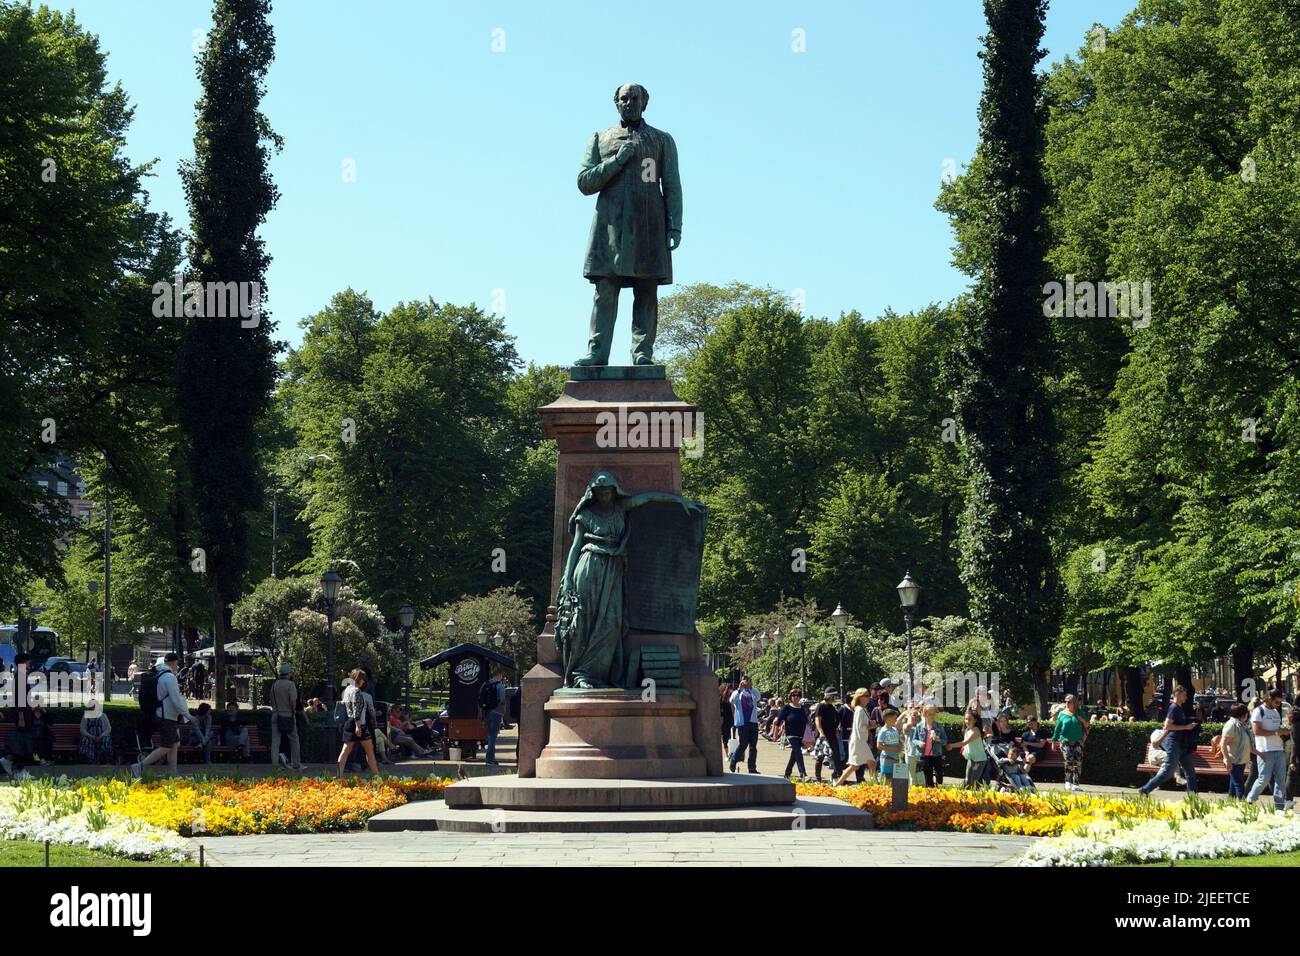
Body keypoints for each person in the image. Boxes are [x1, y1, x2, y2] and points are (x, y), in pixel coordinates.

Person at [132, 653, 193, 778]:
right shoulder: (170, 677)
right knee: (167, 745)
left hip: (163, 715)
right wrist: (188, 715)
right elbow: (176, 699)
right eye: (177, 663)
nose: (178, 666)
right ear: (173, 663)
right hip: (167, 717)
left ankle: (173, 772)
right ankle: (140, 766)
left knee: (174, 743)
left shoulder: (160, 675)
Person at [1140, 684, 1200, 796]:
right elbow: (1167, 726)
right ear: (1178, 694)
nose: (1186, 697)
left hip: (1181, 744)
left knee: (1190, 771)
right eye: (1184, 695)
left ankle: (1193, 796)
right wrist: (1186, 727)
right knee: (1168, 771)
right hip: (1174, 743)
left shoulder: (1178, 708)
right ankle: (1145, 789)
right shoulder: (1174, 707)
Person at [1246, 687, 1287, 811]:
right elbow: (1256, 731)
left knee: (1280, 780)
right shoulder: (1259, 711)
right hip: (1265, 750)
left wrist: (1285, 731)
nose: (1278, 704)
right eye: (1277, 702)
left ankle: (1279, 807)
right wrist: (1276, 732)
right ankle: (1250, 799)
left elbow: (1277, 729)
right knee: (1264, 779)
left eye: (1279, 702)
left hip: (1279, 749)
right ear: (1269, 699)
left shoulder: (1275, 712)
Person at [337, 668, 380, 779]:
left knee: (345, 751)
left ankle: (339, 775)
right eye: (363, 679)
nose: (364, 682)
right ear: (359, 679)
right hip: (359, 724)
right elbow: (357, 710)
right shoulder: (357, 691)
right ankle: (377, 776)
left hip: (348, 722)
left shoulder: (347, 690)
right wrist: (358, 726)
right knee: (369, 751)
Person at [832, 688, 877, 786]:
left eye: (868, 695)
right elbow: (859, 727)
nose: (868, 697)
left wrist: (870, 725)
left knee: (854, 766)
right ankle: (875, 785)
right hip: (859, 741)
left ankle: (837, 784)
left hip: (859, 740)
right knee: (871, 763)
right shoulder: (860, 710)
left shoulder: (861, 709)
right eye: (866, 695)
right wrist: (870, 726)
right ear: (860, 697)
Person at [1051, 694, 1089, 792]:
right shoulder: (1062, 714)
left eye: (1069, 702)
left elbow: (1087, 725)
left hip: (1078, 741)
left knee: (1078, 762)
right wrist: (1054, 741)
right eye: (1066, 701)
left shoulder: (1080, 713)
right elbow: (1058, 728)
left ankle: (1075, 784)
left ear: (1074, 703)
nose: (1067, 703)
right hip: (1065, 740)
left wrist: (1082, 720)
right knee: (1069, 760)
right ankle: (1068, 781)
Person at [1216, 702, 1252, 799]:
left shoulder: (1241, 725)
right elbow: (1223, 743)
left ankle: (1229, 807)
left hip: (1240, 760)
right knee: (1240, 786)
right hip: (1233, 760)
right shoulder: (1232, 725)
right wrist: (1227, 760)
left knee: (1233, 786)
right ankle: (1241, 808)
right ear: (1243, 715)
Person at [269, 661, 301, 771]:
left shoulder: (274, 685)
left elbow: (272, 701)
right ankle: (296, 764)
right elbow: (293, 700)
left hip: (276, 714)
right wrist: (293, 712)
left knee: (275, 741)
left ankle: (275, 765)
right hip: (288, 715)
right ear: (289, 673)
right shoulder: (290, 685)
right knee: (294, 740)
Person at [728, 676, 761, 773]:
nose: (746, 682)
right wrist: (739, 689)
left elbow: (758, 697)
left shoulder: (753, 691)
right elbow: (732, 700)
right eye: (745, 681)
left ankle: (752, 768)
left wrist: (751, 687)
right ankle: (733, 760)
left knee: (753, 746)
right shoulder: (738, 692)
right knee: (743, 744)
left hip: (753, 722)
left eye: (748, 680)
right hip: (742, 723)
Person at [774, 688, 809, 780]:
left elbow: (806, 721)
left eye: (797, 696)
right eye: (793, 695)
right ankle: (803, 773)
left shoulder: (802, 708)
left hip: (801, 735)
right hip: (791, 734)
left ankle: (787, 773)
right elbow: (778, 721)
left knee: (794, 754)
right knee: (798, 752)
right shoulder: (787, 707)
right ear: (790, 697)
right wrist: (775, 735)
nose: (795, 697)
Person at [948, 710, 987, 788]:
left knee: (973, 782)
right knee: (967, 781)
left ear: (975, 721)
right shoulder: (967, 730)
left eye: (970, 719)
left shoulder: (976, 730)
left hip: (979, 760)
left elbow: (964, 742)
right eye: (966, 719)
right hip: (971, 759)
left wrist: (951, 745)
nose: (967, 721)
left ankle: (977, 798)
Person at [813, 688, 844, 783]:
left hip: (832, 736)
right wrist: (821, 733)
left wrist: (836, 731)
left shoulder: (832, 707)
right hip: (823, 736)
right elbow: (817, 720)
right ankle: (818, 777)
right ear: (830, 696)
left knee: (837, 756)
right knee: (820, 757)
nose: (836, 698)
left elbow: (835, 721)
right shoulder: (821, 706)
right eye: (835, 696)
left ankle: (839, 777)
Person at [912, 704, 947, 787]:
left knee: (939, 775)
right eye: (930, 714)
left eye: (934, 714)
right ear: (924, 715)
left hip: (937, 754)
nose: (932, 716)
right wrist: (919, 743)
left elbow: (945, 741)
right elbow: (914, 740)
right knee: (928, 776)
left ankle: (939, 791)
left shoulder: (939, 726)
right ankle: (930, 793)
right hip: (925, 755)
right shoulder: (919, 726)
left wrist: (938, 740)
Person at [481, 667, 505, 766]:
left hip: (486, 713)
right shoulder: (500, 686)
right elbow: (503, 701)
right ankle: (489, 759)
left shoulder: (485, 684)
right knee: (493, 738)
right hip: (496, 713)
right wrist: (503, 713)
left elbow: (480, 698)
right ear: (499, 675)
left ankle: (492, 758)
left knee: (490, 736)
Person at [875, 709, 902, 781]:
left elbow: (898, 740)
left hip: (895, 757)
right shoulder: (883, 731)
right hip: (887, 758)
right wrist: (893, 749)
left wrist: (900, 745)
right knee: (886, 778)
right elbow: (879, 745)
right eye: (894, 719)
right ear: (888, 720)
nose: (896, 720)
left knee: (894, 778)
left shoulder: (894, 729)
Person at [719, 683, 733, 755]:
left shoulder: (721, 698)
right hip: (728, 718)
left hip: (725, 718)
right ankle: (728, 753)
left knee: (725, 736)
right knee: (728, 736)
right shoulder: (729, 698)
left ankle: (727, 754)